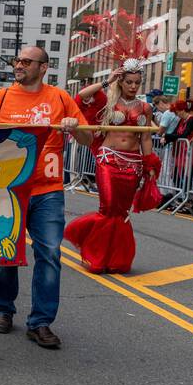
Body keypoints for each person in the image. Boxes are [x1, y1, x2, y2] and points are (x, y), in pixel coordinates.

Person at [0, 45, 91, 348]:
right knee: (5, 252)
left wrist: (74, 127)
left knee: (50, 255)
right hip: (8, 189)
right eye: (18, 60)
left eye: (27, 61)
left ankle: (40, 322)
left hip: (48, 192)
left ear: (44, 68)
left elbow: (88, 138)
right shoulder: (0, 98)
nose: (19, 65)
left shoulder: (60, 98)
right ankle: (4, 309)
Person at [64, 59, 159, 273]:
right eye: (129, 82)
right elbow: (81, 97)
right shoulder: (108, 102)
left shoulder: (145, 107)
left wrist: (149, 163)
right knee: (107, 209)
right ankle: (96, 257)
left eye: (137, 82)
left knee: (121, 212)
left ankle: (115, 259)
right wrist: (107, 82)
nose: (133, 86)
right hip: (108, 160)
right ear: (121, 81)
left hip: (133, 164)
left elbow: (145, 138)